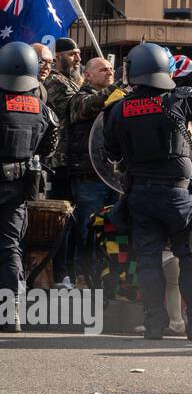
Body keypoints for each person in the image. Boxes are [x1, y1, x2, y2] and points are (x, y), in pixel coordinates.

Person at [101, 43, 192, 339]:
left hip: (140, 195)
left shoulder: (117, 109)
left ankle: (154, 323)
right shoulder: (181, 100)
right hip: (178, 195)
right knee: (188, 257)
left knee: (148, 260)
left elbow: (111, 151)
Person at [0, 42, 58, 332]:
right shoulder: (42, 109)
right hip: (18, 189)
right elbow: (49, 147)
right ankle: (11, 315)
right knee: (10, 248)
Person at [61, 57, 123, 289]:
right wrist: (116, 88)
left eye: (110, 69)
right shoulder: (78, 99)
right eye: (102, 69)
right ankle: (82, 279)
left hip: (112, 179)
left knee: (112, 233)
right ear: (87, 75)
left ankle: (108, 282)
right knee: (87, 232)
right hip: (88, 179)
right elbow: (90, 106)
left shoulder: (116, 98)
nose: (109, 72)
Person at [44, 37, 82, 202]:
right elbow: (79, 109)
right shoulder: (56, 81)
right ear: (58, 57)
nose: (78, 60)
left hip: (70, 159)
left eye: (79, 54)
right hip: (59, 160)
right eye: (73, 54)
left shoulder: (70, 81)